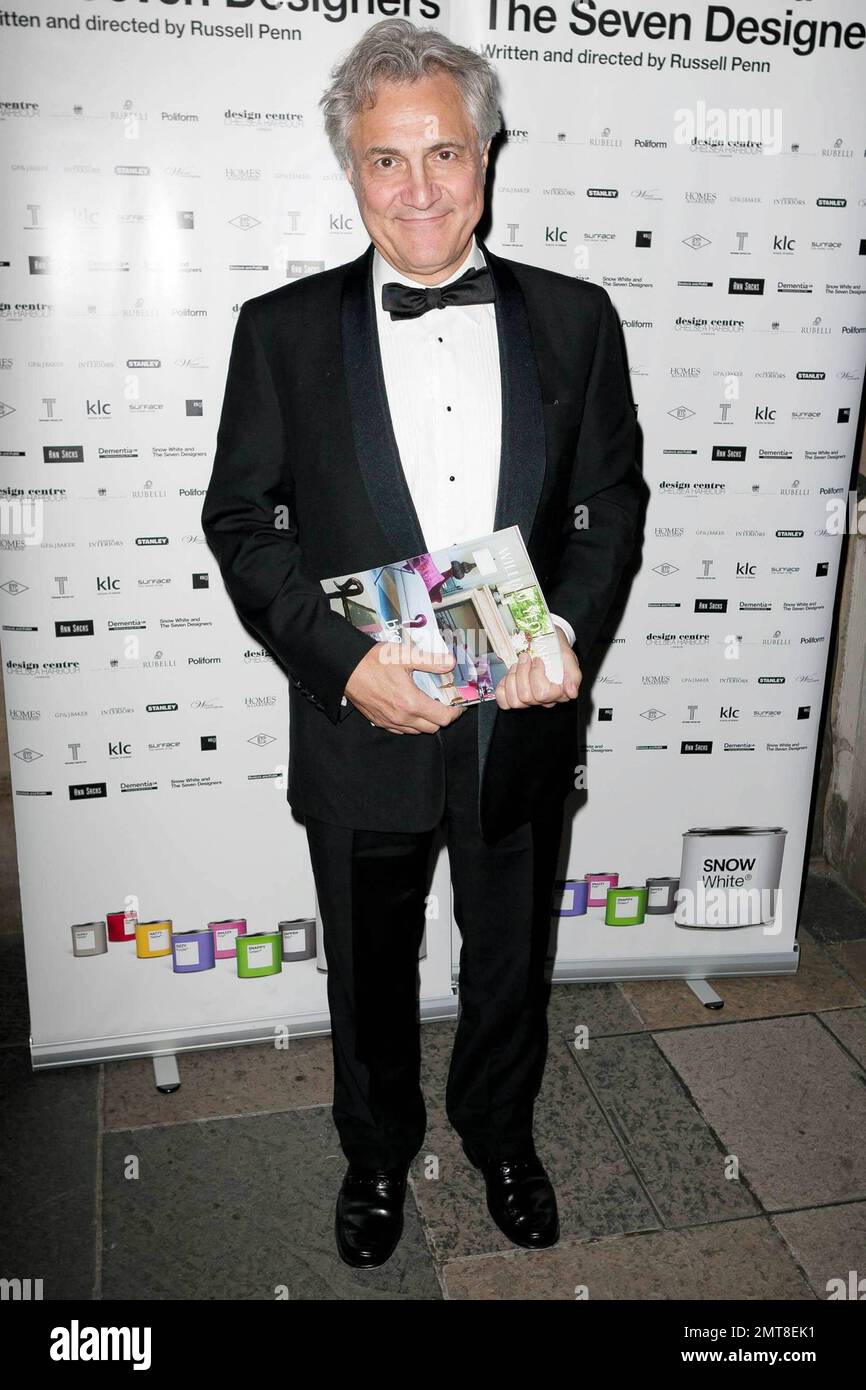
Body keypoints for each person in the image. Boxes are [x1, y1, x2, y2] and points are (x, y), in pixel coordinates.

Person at [201, 17, 644, 1269]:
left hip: (518, 714)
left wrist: (563, 628)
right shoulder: (279, 331)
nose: (417, 190)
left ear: (486, 157)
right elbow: (240, 522)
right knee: (367, 971)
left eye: (442, 153)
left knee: (510, 958)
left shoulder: (575, 318)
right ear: (350, 171)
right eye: (385, 161)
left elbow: (609, 500)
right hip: (361, 728)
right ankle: (374, 1152)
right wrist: (344, 666)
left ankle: (502, 1134)